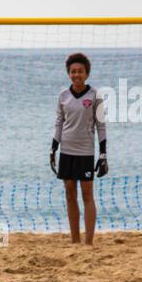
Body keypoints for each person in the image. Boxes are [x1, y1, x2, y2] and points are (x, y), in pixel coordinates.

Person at [51, 52, 107, 245]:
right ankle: (75, 240)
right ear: (69, 74)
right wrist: (53, 148)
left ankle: (89, 242)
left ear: (87, 74)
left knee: (87, 194)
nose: (76, 75)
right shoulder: (63, 96)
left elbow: (101, 126)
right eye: (73, 72)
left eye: (80, 71)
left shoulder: (95, 96)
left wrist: (103, 154)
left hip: (85, 152)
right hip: (66, 150)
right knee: (69, 192)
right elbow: (59, 122)